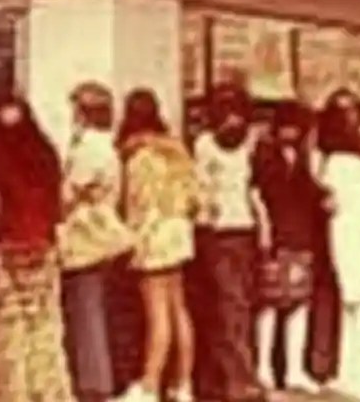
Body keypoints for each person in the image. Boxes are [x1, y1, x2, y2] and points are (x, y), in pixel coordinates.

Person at [0, 95, 75, 402]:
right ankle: (47, 391)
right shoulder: (46, 153)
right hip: (42, 247)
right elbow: (58, 203)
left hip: (8, 250)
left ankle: (13, 393)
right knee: (44, 325)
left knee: (8, 330)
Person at [114, 89, 202, 402]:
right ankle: (183, 383)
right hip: (180, 231)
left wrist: (130, 239)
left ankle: (149, 384)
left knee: (156, 312)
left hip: (153, 233)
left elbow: (136, 204)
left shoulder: (139, 156)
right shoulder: (177, 151)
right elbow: (196, 198)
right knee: (179, 308)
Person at [58, 82, 131, 402]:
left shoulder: (89, 148)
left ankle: (93, 380)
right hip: (104, 232)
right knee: (95, 304)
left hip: (85, 234)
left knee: (85, 307)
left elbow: (70, 192)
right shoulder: (109, 146)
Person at [193, 83, 264, 402]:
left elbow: (202, 190)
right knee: (238, 306)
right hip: (244, 229)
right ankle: (239, 377)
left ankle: (236, 381)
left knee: (224, 307)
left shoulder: (206, 144)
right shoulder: (250, 142)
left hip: (218, 231)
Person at [252, 101, 324, 395]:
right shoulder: (264, 153)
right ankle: (264, 367)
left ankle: (294, 368)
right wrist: (264, 226)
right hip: (277, 234)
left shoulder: (304, 156)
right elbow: (256, 192)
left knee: (298, 301)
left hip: (301, 234)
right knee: (269, 301)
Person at [318, 92, 360, 400]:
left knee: (354, 302)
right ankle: (358, 373)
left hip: (348, 230)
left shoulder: (334, 161)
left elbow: (330, 203)